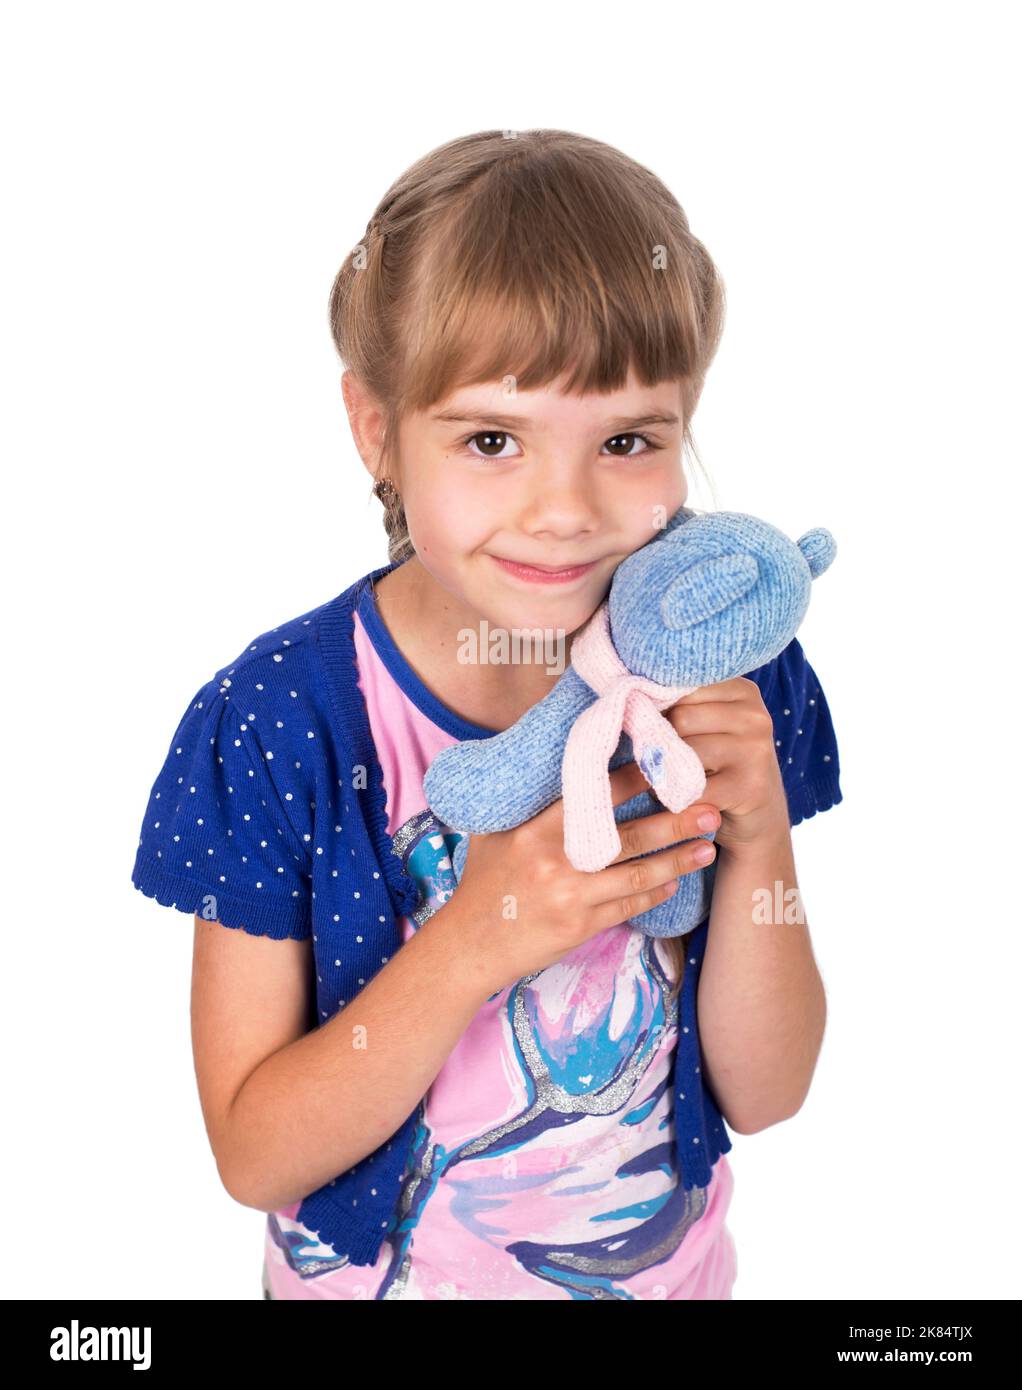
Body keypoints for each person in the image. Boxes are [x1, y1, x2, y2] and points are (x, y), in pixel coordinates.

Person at [131, 129, 842, 1301]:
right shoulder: (278, 721)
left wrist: (755, 831)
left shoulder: (730, 669)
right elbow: (254, 1150)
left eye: (624, 440)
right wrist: (475, 937)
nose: (562, 511)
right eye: (492, 438)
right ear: (376, 429)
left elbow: (764, 1094)